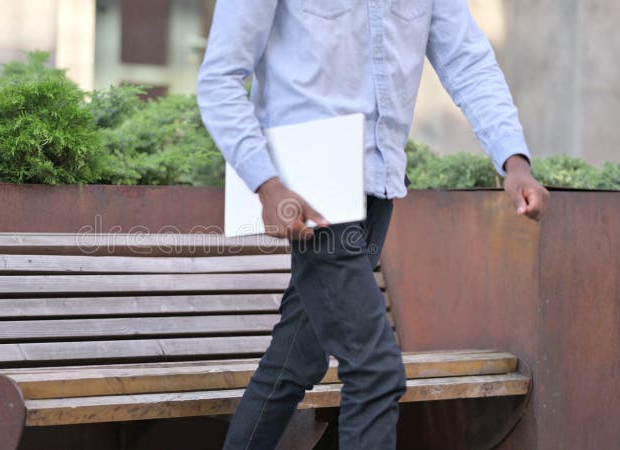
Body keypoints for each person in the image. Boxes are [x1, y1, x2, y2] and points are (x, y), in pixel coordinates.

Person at [197, 1, 550, 448]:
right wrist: (266, 184)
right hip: (309, 196)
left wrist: (513, 160)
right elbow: (218, 79)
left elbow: (468, 62)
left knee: (296, 358)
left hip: (378, 185)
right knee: (377, 370)